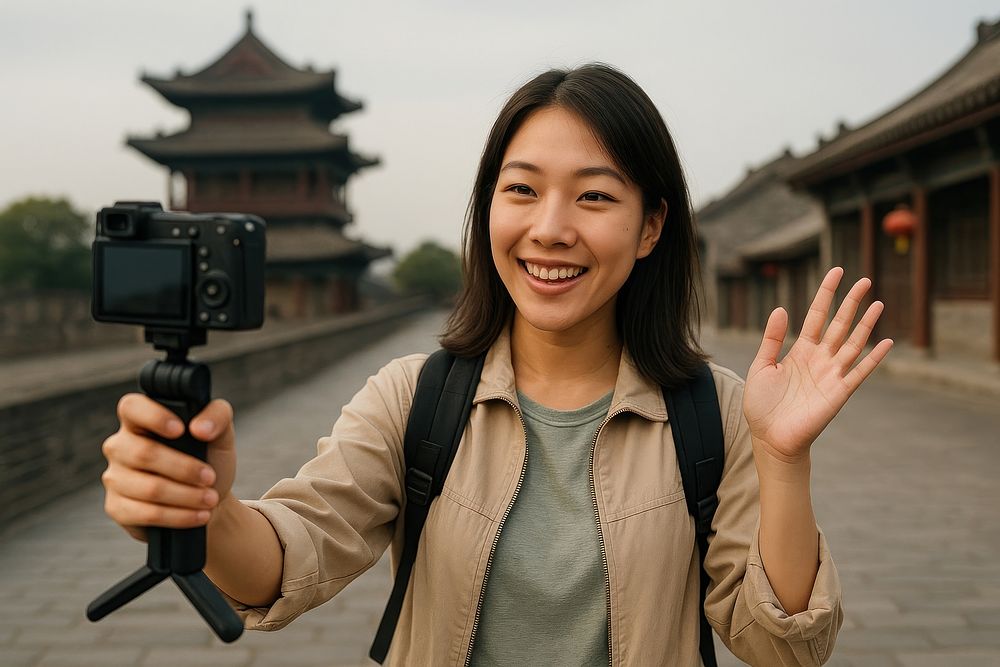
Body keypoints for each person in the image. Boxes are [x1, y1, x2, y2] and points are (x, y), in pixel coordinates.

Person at [100, 64, 892, 666]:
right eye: (521, 190)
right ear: (488, 208)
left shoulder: (713, 412)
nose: (550, 228)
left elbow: (782, 644)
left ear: (651, 226)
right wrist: (208, 510)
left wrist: (784, 460)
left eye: (594, 197)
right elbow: (287, 555)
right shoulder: (414, 398)